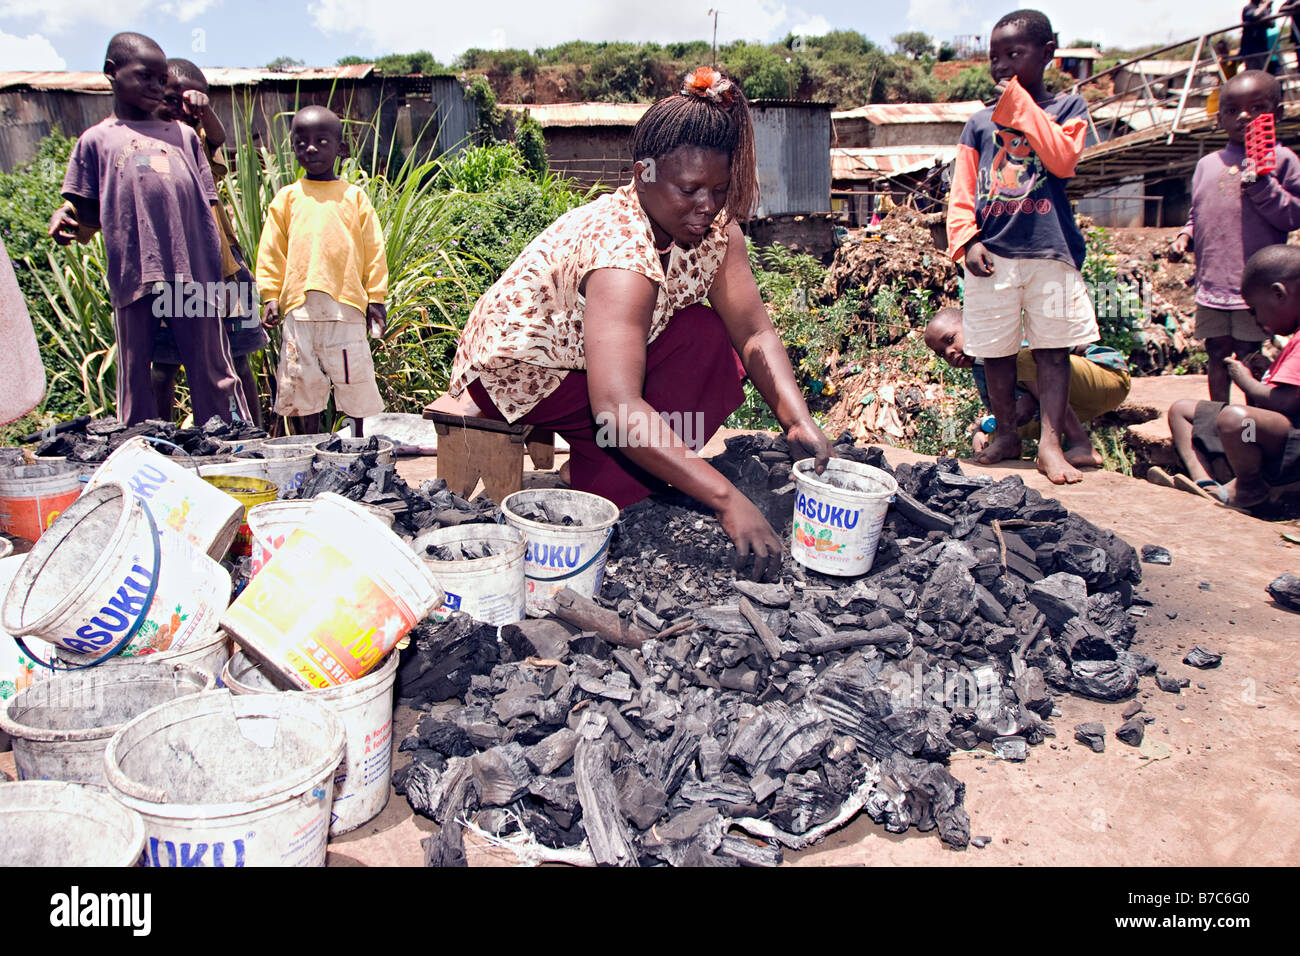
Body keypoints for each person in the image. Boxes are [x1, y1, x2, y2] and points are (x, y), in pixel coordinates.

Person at [439, 66, 830, 580]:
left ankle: (597, 474)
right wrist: (727, 499)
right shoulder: (622, 251)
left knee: (708, 338)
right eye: (689, 190)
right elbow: (618, 409)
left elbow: (754, 332)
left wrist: (796, 418)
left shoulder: (714, 231)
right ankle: (604, 484)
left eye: (717, 189)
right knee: (639, 412)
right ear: (644, 173)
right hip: (523, 377)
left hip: (595, 367)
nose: (705, 207)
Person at [49, 32, 249, 426]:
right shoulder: (97, 141)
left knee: (212, 364)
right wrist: (66, 214)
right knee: (137, 366)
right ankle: (140, 443)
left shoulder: (185, 136)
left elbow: (207, 201)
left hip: (194, 273)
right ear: (111, 72)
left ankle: (231, 438)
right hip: (136, 272)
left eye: (162, 79)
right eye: (146, 77)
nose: (157, 87)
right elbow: (87, 208)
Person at [945, 8, 1098, 484]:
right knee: (995, 351)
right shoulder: (978, 124)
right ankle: (1007, 434)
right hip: (993, 254)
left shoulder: (1067, 110)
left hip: (1050, 251)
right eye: (995, 57)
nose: (1001, 65)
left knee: (1053, 350)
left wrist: (1020, 104)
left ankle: (1051, 446)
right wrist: (966, 241)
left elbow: (1062, 159)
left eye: (1014, 53)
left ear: (1048, 54)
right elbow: (963, 191)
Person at [1168, 70, 1300, 405]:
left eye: (1257, 108)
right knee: (1216, 351)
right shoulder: (1207, 165)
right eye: (1232, 110)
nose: (1244, 116)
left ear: (1278, 114)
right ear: (1219, 119)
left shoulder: (1282, 160)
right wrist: (1186, 236)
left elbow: (1293, 215)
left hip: (1256, 290)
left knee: (1248, 354)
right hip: (1212, 284)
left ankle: (1253, 421)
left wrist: (1263, 186)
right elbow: (1199, 215)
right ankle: (1217, 415)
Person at [256, 106, 387, 438]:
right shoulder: (287, 199)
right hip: (300, 310)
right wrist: (270, 296)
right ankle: (311, 442)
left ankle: (358, 441)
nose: (310, 149)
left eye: (321, 141)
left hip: (345, 309)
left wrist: (376, 298)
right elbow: (271, 251)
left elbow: (374, 249)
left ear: (340, 149)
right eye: (302, 143)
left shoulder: (354, 198)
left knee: (352, 377)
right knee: (303, 379)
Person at [150, 58, 268, 426]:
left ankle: (254, 435)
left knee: (238, 359)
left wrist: (205, 112)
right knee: (164, 366)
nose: (180, 108)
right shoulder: (145, 142)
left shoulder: (195, 140)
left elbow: (217, 139)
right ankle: (160, 439)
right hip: (170, 276)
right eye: (171, 98)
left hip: (224, 270)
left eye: (189, 101)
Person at [1165, 244, 1300, 508]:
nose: (1254, 318)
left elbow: (1288, 402)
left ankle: (1250, 487)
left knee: (1238, 421)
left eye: (1254, 309)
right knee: (1181, 410)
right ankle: (1205, 483)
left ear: (1278, 294)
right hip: (1274, 437)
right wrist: (1269, 370)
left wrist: (1244, 380)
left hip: (1291, 444)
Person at [924, 307, 1130, 467]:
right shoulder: (982, 370)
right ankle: (1012, 449)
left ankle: (1081, 445)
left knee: (1024, 359)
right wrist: (982, 428)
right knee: (999, 432)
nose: (949, 352)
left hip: (1106, 378)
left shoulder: (1007, 337)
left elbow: (1056, 360)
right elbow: (1000, 412)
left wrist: (1030, 400)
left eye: (950, 340)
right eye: (941, 353)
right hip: (1074, 402)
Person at [1241, 1, 1274, 72]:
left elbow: (1272, 24)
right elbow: (1254, 15)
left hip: (1262, 47)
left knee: (1264, 72)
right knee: (1255, 73)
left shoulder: (1262, 9)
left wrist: (1268, 9)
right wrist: (1265, 5)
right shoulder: (1248, 8)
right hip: (1251, 50)